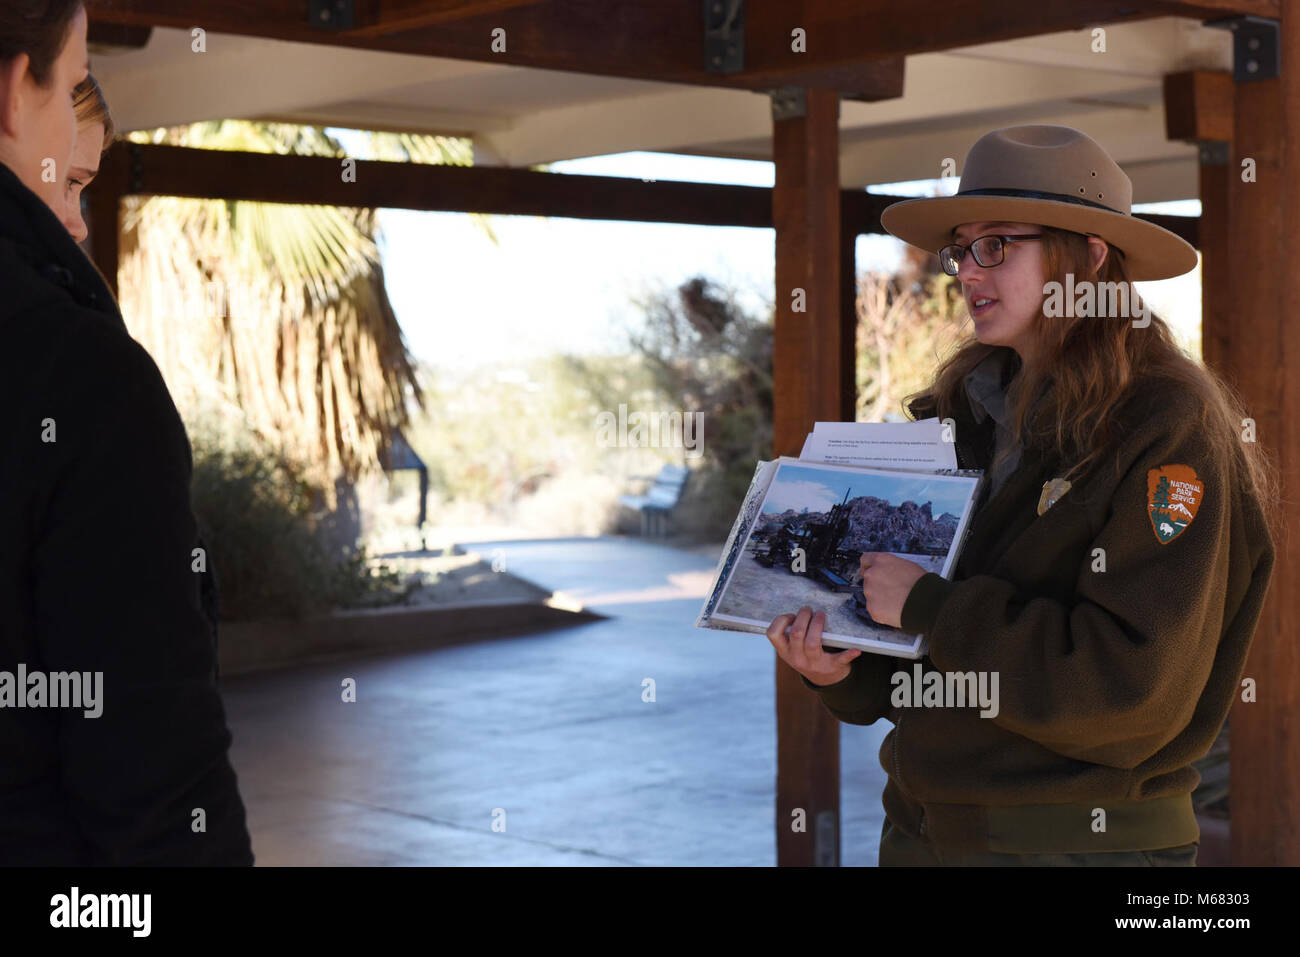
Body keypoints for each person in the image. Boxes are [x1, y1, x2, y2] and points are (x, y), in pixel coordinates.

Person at [765, 124, 1277, 866]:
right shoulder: (960, 412)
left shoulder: (1169, 427)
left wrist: (930, 605)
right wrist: (842, 666)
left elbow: (1129, 691)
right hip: (922, 835)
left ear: (1089, 257)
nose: (968, 272)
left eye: (998, 245)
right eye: (962, 249)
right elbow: (922, 663)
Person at [0, 0, 253, 865]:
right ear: (13, 92)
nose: (74, 221)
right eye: (70, 77)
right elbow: (155, 776)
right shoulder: (80, 376)